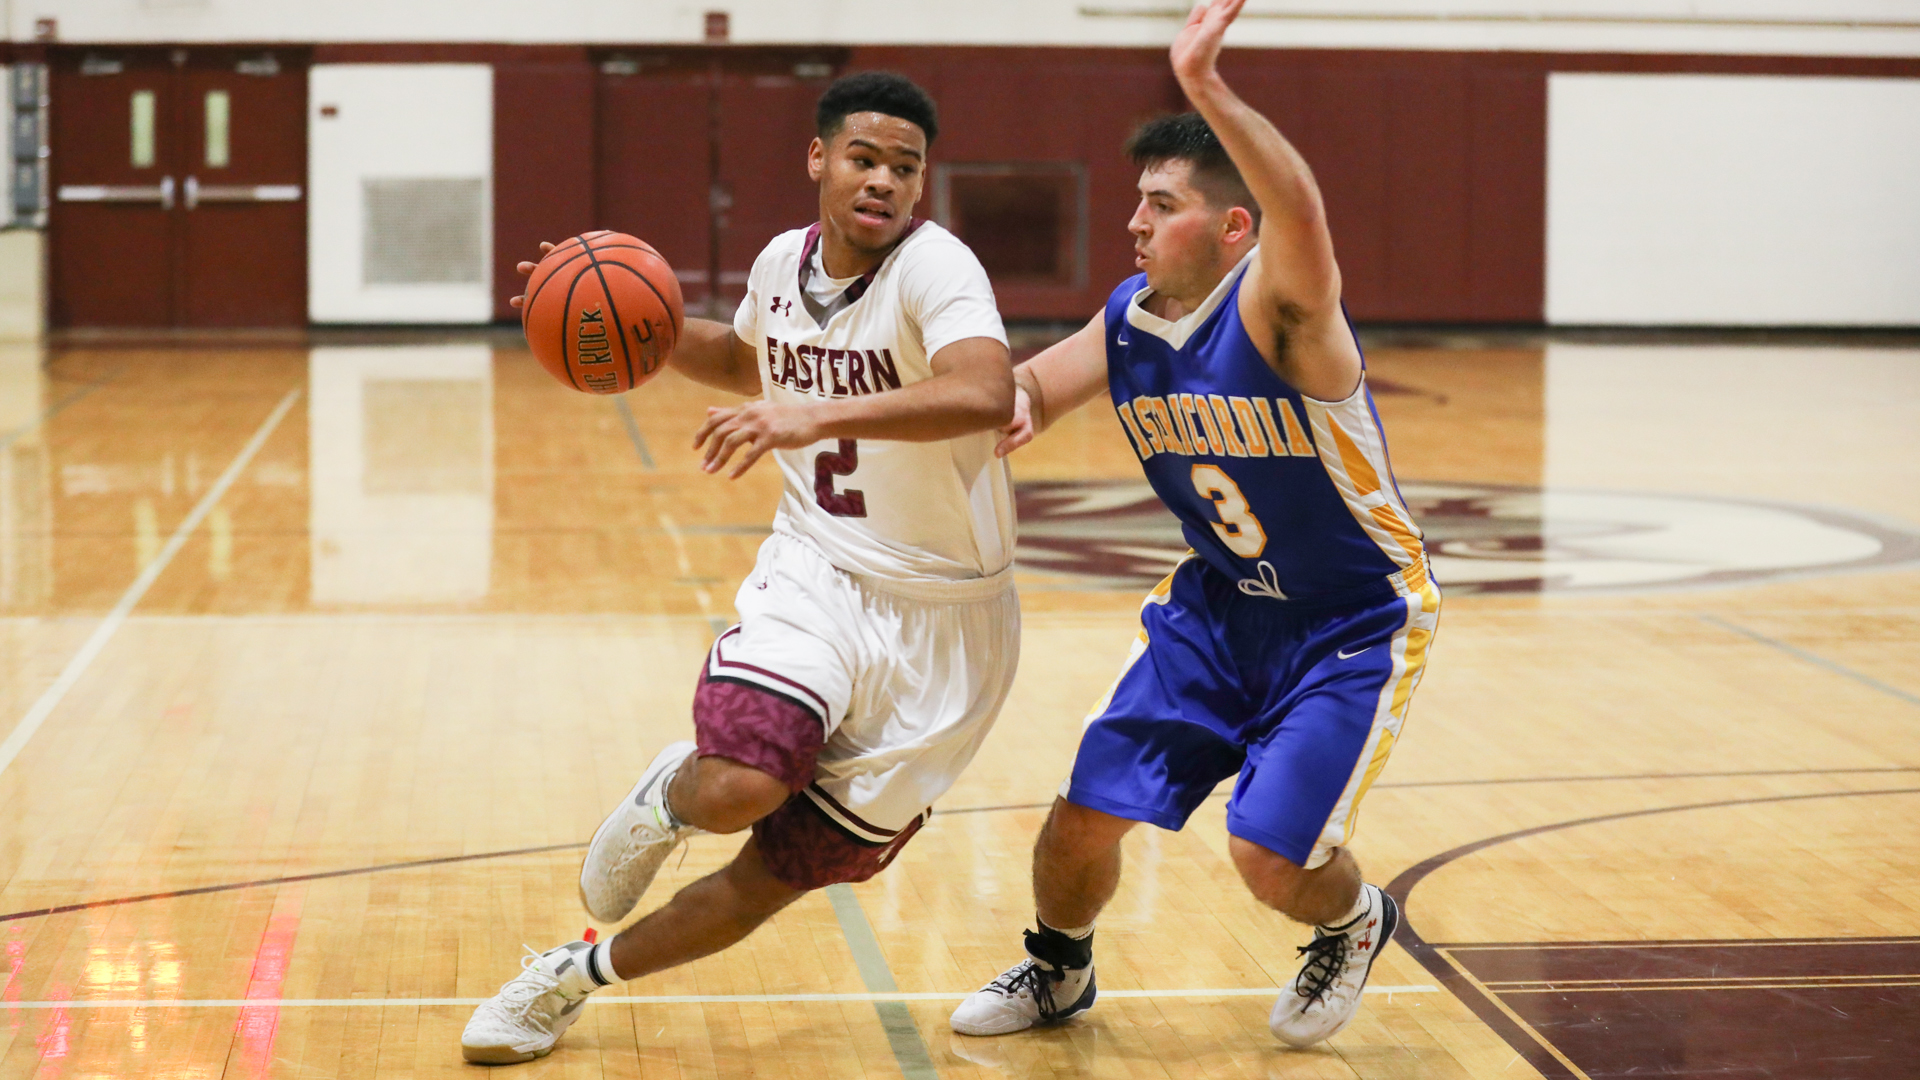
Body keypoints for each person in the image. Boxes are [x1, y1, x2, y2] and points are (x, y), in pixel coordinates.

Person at [463, 71, 1021, 1065]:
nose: (884, 181)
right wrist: (609, 315)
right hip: (817, 572)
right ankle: (670, 798)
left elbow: (981, 391)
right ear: (818, 159)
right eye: (864, 158)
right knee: (737, 788)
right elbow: (749, 362)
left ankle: (568, 976)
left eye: (906, 167)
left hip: (948, 628)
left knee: (779, 873)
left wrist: (815, 413)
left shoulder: (939, 270)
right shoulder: (778, 263)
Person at [948, 0, 1440, 1049]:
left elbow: (1302, 216)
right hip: (1217, 612)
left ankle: (1354, 923)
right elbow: (1033, 383)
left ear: (1231, 228)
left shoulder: (1285, 316)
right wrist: (1008, 404)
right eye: (1137, 200)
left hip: (1349, 620)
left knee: (1268, 860)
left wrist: (1208, 85)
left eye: (1162, 203)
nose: (1134, 220)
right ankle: (1058, 971)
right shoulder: (1128, 316)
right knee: (1082, 815)